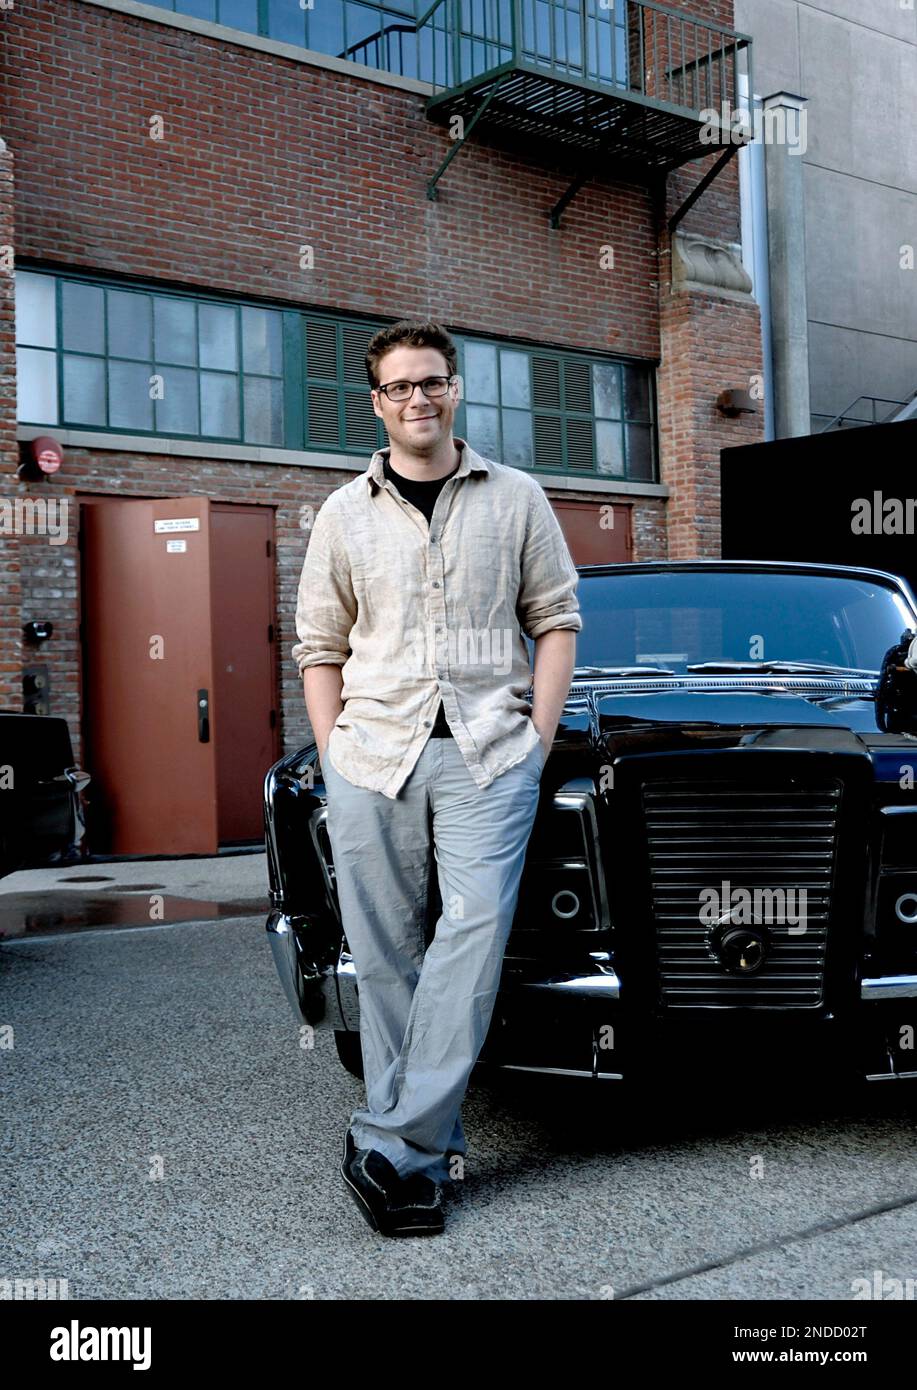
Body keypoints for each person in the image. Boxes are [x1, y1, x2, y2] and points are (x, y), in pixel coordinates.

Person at [291, 319, 581, 1236]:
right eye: (400, 387)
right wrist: (334, 749)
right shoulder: (342, 514)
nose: (419, 398)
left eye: (434, 382)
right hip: (374, 756)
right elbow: (317, 647)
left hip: (489, 754)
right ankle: (415, 1160)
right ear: (376, 403)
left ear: (455, 389)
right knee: (383, 955)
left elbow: (557, 619)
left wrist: (536, 736)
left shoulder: (518, 497)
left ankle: (389, 1138)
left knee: (474, 935)